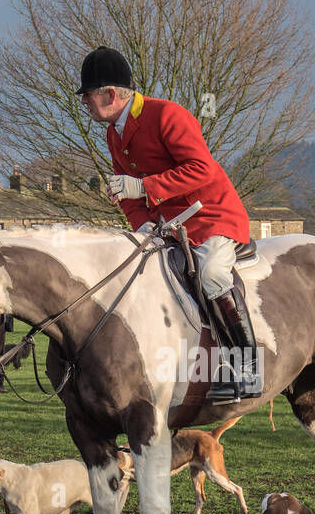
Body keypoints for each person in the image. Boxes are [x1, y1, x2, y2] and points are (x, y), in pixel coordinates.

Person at [77, 45, 261, 402]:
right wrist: (142, 226)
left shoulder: (167, 115)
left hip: (211, 216)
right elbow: (125, 194)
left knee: (212, 276)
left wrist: (146, 186)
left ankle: (249, 369)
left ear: (110, 95)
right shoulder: (114, 133)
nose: (84, 103)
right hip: (169, 225)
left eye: (87, 96)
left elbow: (202, 169)